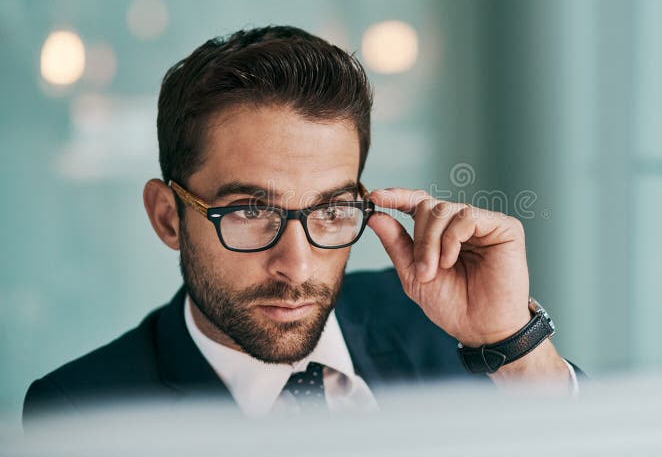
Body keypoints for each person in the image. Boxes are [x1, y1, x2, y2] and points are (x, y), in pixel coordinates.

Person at [23, 26, 581, 425]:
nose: (296, 265)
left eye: (331, 211)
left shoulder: (437, 322)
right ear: (168, 217)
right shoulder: (81, 412)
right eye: (250, 211)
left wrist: (514, 346)